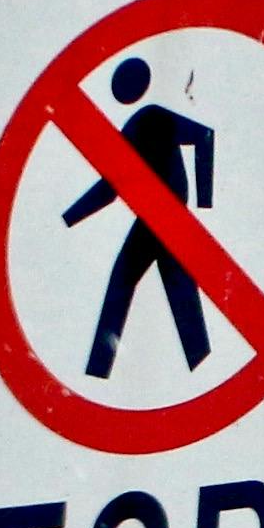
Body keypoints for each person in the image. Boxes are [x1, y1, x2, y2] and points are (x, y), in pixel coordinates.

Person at [66, 54, 220, 379]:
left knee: (124, 281)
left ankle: (98, 371)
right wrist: (70, 217)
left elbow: (203, 136)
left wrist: (204, 202)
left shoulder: (151, 117)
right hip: (161, 218)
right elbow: (111, 188)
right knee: (178, 288)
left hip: (165, 216)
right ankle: (203, 366)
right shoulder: (134, 128)